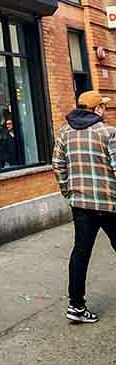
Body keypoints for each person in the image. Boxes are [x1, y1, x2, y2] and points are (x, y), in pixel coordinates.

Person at [52, 89, 116, 324]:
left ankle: (76, 306)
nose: (105, 110)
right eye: (104, 107)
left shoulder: (64, 133)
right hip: (110, 203)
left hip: (81, 204)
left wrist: (68, 191)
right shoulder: (109, 133)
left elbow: (57, 165)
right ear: (97, 109)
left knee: (80, 252)